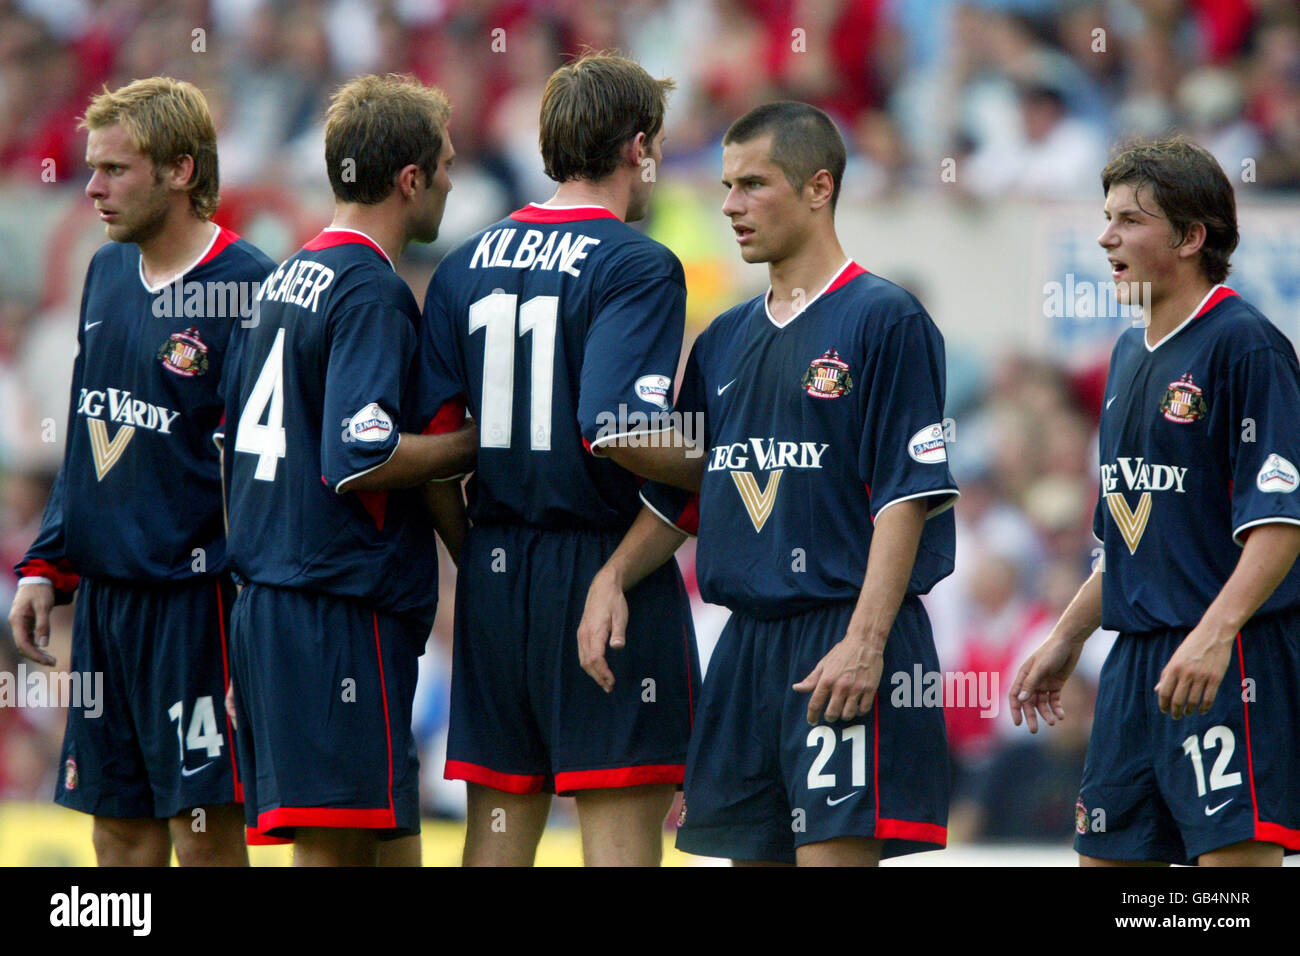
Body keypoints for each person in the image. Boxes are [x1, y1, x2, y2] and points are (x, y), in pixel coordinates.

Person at [578, 101, 959, 866]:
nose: (729, 206)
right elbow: (696, 491)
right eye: (726, 186)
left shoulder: (886, 319)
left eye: (753, 185)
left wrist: (865, 640)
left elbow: (907, 496)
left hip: (839, 635)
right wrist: (613, 575)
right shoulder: (723, 338)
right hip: (745, 647)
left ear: (819, 188)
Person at [419, 52, 702, 866]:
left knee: (495, 843)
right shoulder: (637, 263)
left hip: (495, 570)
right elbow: (616, 427)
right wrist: (743, 466)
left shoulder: (463, 264)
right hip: (604, 571)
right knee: (616, 844)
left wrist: (477, 557)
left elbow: (439, 453)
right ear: (637, 147)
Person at [6, 77, 277, 866]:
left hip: (197, 609)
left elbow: (260, 477)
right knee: (117, 831)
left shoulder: (251, 288)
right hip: (105, 608)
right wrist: (47, 564)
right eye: (92, 168)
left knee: (203, 837)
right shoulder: (108, 272)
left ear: (181, 171)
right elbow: (93, 435)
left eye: (115, 170)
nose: (91, 188)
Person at [1010, 137, 1300, 866]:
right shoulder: (1129, 355)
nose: (1106, 237)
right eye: (1105, 218)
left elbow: (1281, 524)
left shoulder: (1247, 347)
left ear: (1191, 236)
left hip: (1230, 661)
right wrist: (1068, 637)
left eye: (1130, 220)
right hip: (1134, 668)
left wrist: (1215, 632)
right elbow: (1131, 539)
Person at [222, 74, 476, 867]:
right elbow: (361, 456)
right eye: (444, 165)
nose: (449, 180)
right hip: (332, 610)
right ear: (410, 179)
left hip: (278, 599)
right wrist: (484, 444)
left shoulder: (283, 279)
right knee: (336, 852)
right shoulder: (371, 290)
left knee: (387, 841)